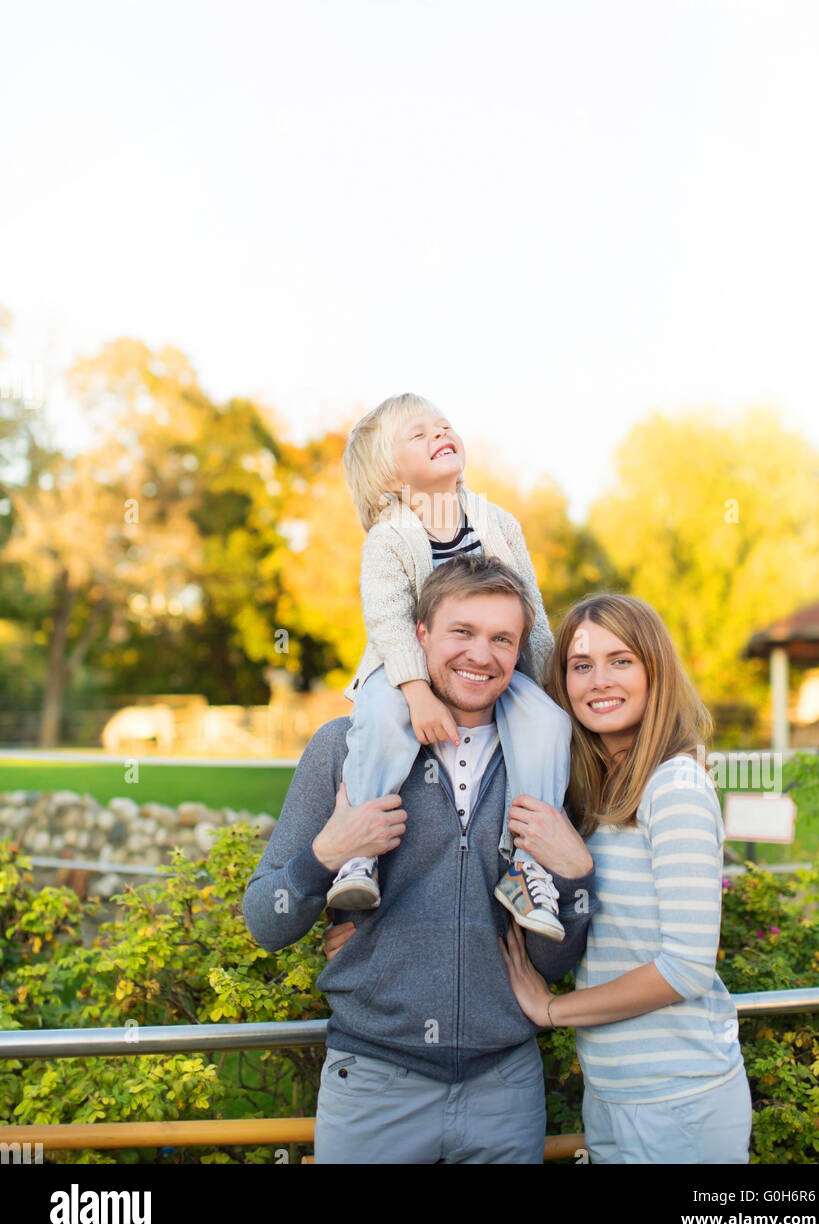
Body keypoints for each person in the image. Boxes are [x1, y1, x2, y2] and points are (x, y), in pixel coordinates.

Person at [242, 556, 598, 1165]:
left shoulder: (545, 764)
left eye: (502, 639)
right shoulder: (344, 746)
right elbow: (264, 922)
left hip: (504, 1089)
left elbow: (554, 959)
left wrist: (571, 883)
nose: (481, 656)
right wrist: (330, 851)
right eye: (462, 632)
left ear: (519, 651)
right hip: (374, 1086)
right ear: (420, 636)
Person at [499, 593, 752, 1165]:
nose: (598, 681)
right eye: (581, 665)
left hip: (680, 1101)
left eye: (621, 660)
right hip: (613, 1094)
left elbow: (685, 967)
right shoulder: (593, 796)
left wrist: (553, 1011)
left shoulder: (675, 788)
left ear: (653, 671)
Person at [328, 392, 573, 942]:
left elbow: (529, 613)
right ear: (390, 477)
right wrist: (416, 690)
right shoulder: (388, 538)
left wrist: (545, 689)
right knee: (384, 717)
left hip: (488, 670)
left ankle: (526, 867)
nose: (440, 433)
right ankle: (360, 852)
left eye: (443, 426)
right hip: (402, 669)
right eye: (418, 434)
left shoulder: (498, 523)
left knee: (548, 725)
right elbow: (389, 622)